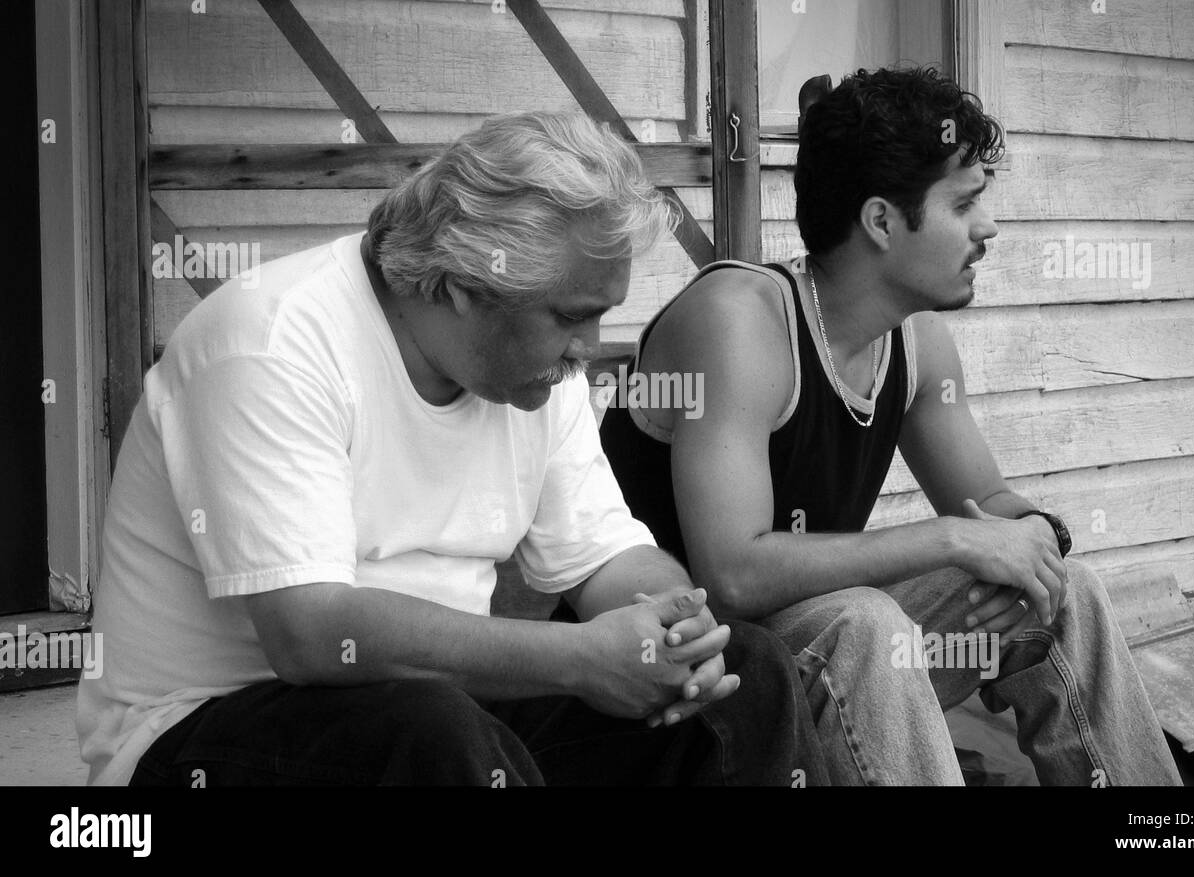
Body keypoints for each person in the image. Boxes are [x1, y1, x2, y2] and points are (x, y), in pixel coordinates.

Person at [77, 111, 828, 787]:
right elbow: (310, 634)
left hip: (446, 717)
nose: (589, 348)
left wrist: (675, 629)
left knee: (746, 677)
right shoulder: (272, 342)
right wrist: (580, 659)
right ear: (466, 284)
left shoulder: (536, 370)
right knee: (434, 732)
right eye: (572, 317)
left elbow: (605, 559)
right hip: (205, 734)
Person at [600, 66, 1182, 786]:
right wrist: (950, 538)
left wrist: (1037, 536)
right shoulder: (740, 321)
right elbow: (734, 574)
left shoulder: (918, 340)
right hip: (695, 674)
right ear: (881, 221)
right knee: (868, 624)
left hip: (838, 656)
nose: (988, 227)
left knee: (1067, 593)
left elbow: (988, 501)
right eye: (965, 203)